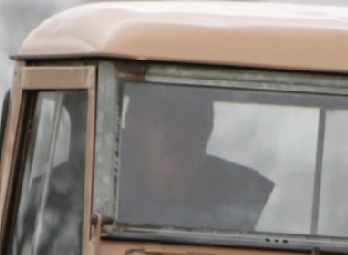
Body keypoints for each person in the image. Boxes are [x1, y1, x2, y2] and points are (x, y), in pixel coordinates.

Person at [113, 96, 276, 230]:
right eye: (162, 122)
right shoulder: (104, 188)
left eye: (192, 124)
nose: (180, 136)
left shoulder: (244, 203)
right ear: (133, 127)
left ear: (207, 133)